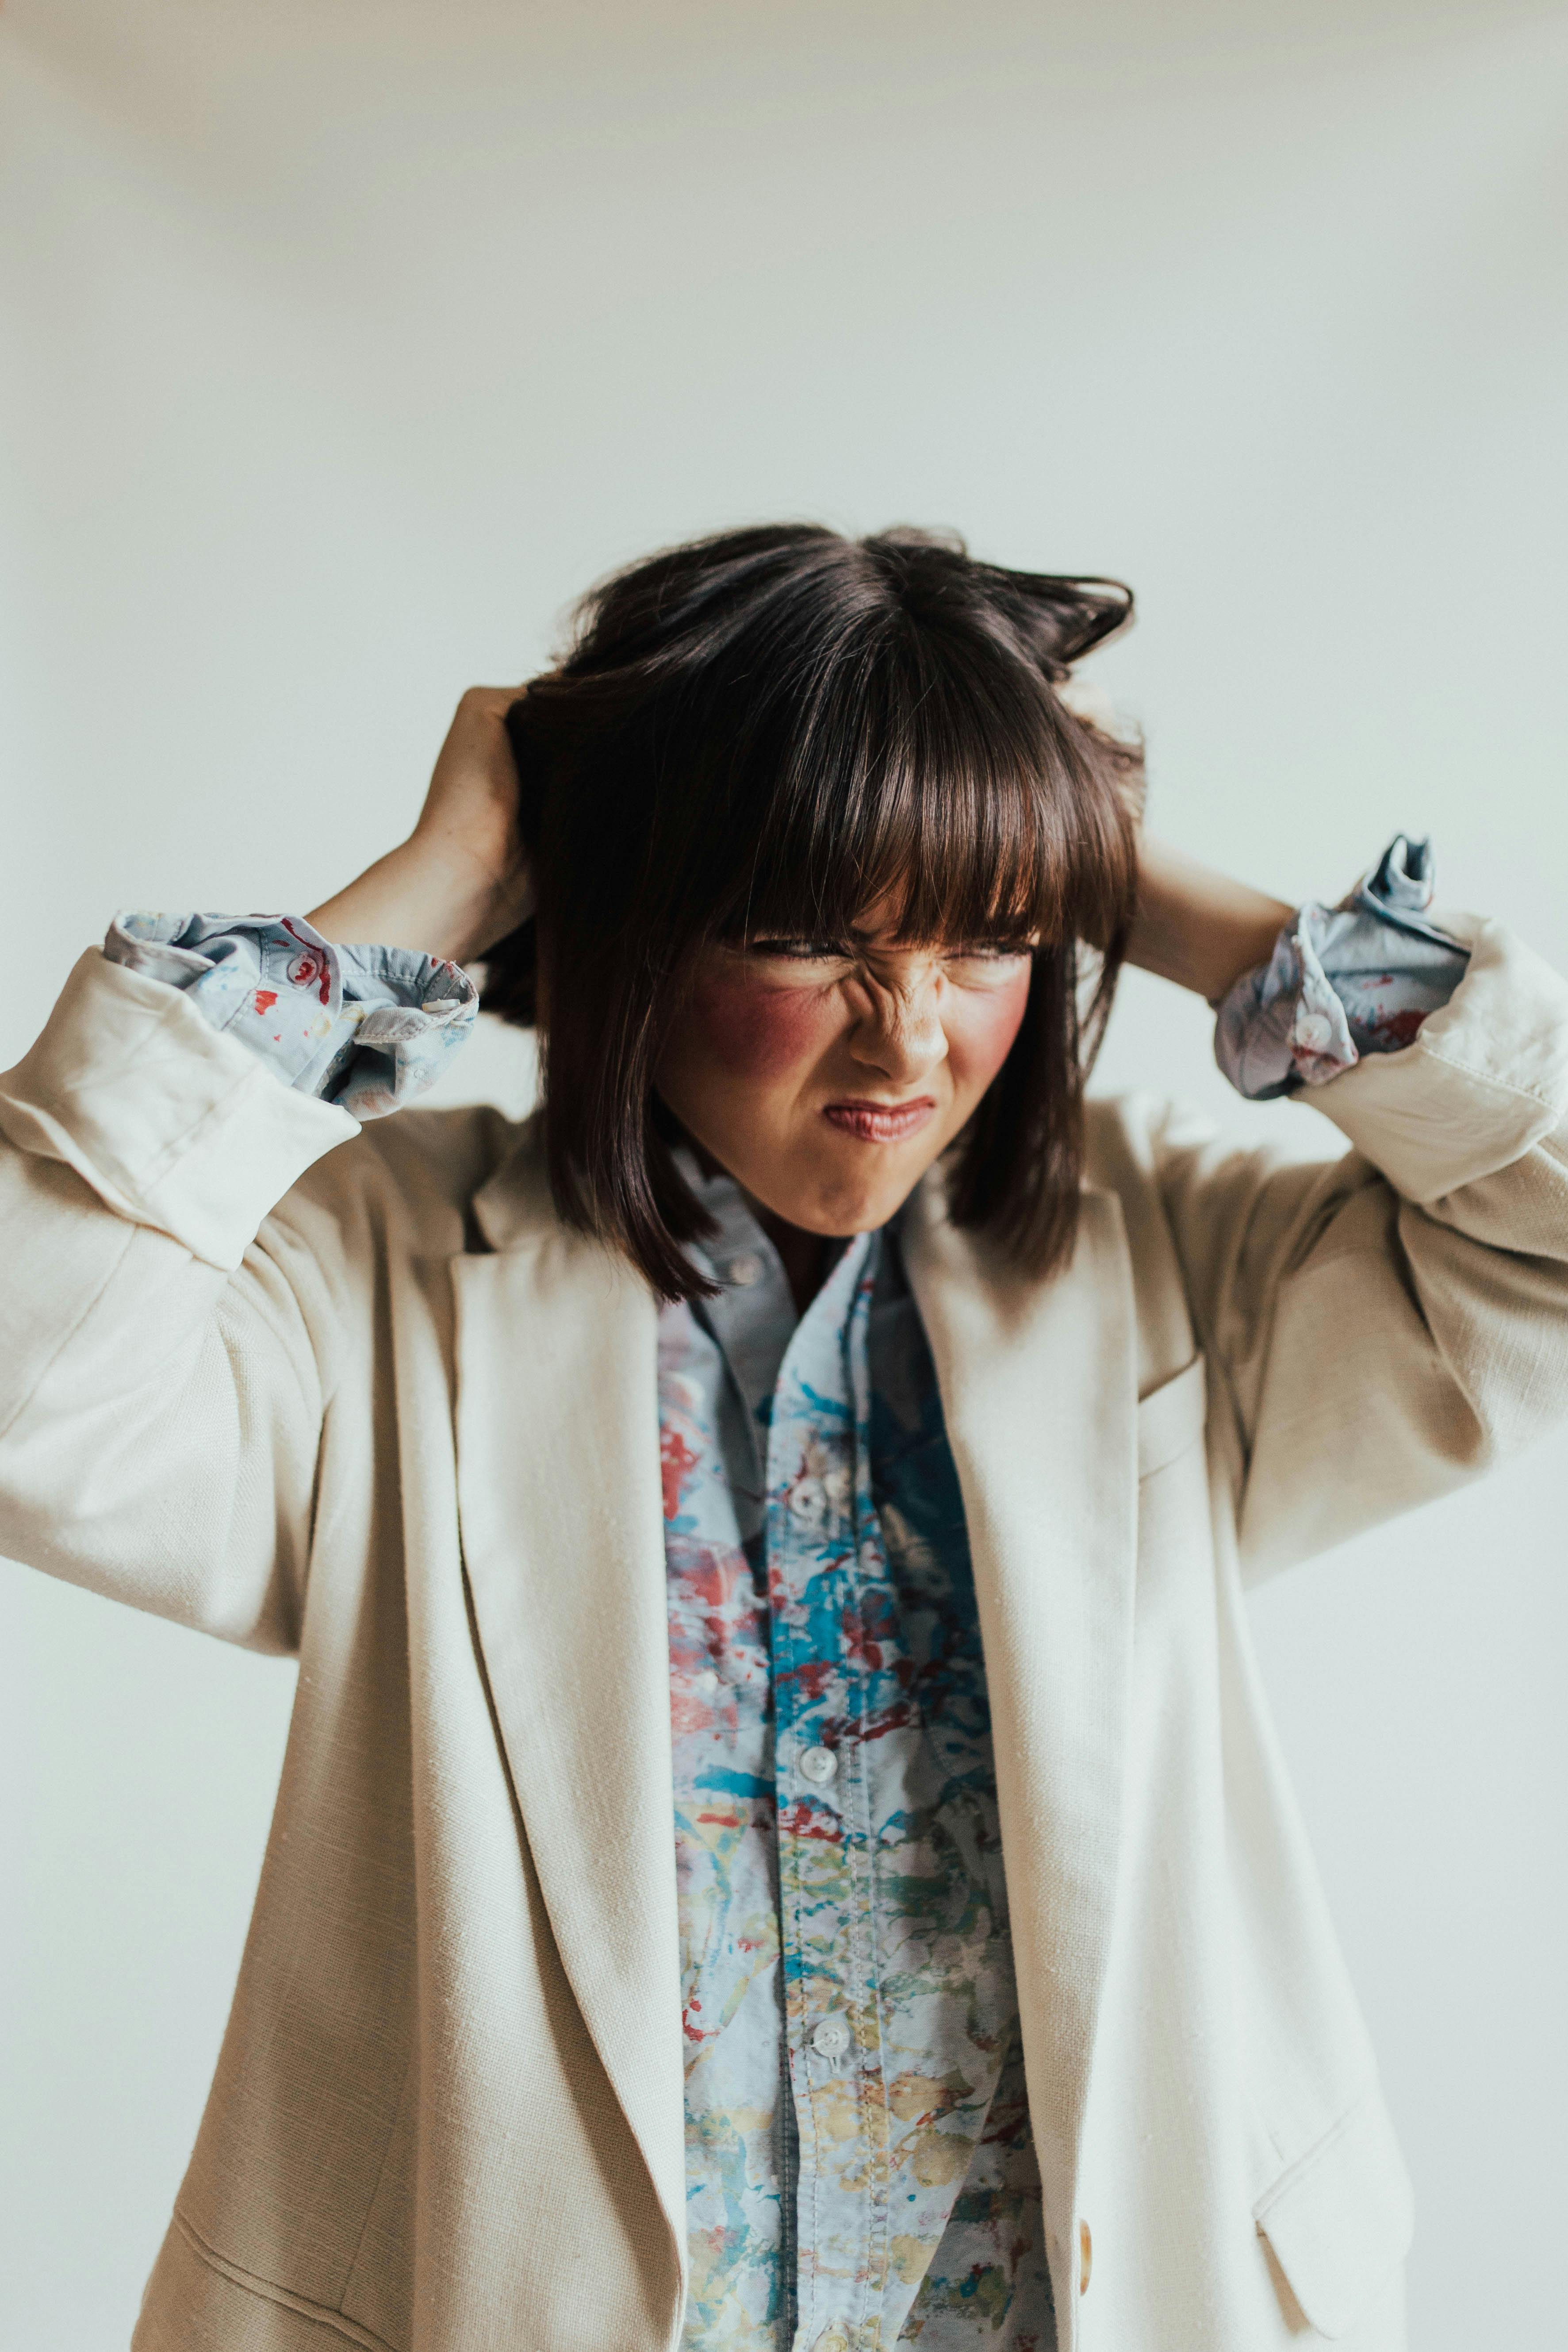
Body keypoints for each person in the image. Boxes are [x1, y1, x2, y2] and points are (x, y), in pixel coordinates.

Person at [2, 525, 1564, 2352]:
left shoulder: (1155, 1268)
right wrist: (449, 873)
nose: (903, 1033)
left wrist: (1112, 871)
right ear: (632, 938)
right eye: (804, 935)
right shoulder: (381, 1281)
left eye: (985, 940)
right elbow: (33, 1378)